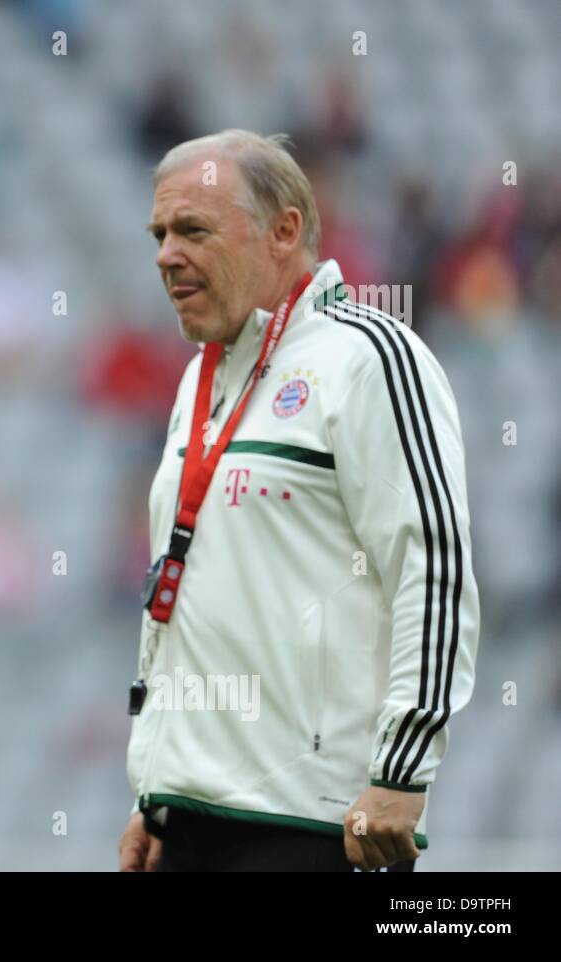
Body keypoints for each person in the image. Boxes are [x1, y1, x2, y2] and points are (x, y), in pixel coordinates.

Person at [118, 130, 478, 872]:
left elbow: (432, 565)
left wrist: (400, 773)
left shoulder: (370, 357)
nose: (165, 254)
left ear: (285, 230)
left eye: (192, 230)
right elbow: (180, 597)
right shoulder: (200, 379)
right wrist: (151, 790)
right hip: (185, 823)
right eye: (159, 234)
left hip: (311, 826)